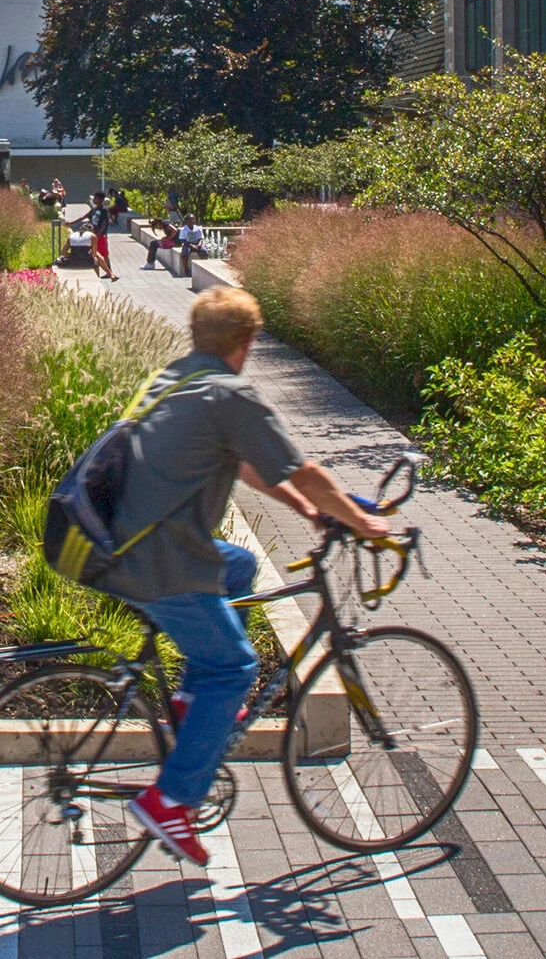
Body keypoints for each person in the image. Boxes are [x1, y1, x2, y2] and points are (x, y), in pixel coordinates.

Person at [101, 288, 390, 864]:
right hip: (161, 559)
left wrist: (309, 511)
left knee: (241, 564)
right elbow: (303, 468)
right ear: (248, 342)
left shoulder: (178, 378)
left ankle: (189, 699)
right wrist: (362, 523)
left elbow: (249, 466)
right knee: (236, 665)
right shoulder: (231, 394)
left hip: (125, 541)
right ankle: (171, 802)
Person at [87, 193, 119, 281]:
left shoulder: (104, 210)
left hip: (101, 236)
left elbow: (105, 224)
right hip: (95, 235)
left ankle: (109, 271)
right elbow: (84, 217)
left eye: (95, 198)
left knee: (104, 254)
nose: (93, 200)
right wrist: (72, 222)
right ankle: (107, 272)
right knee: (97, 253)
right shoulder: (94, 209)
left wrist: (98, 235)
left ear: (100, 199)